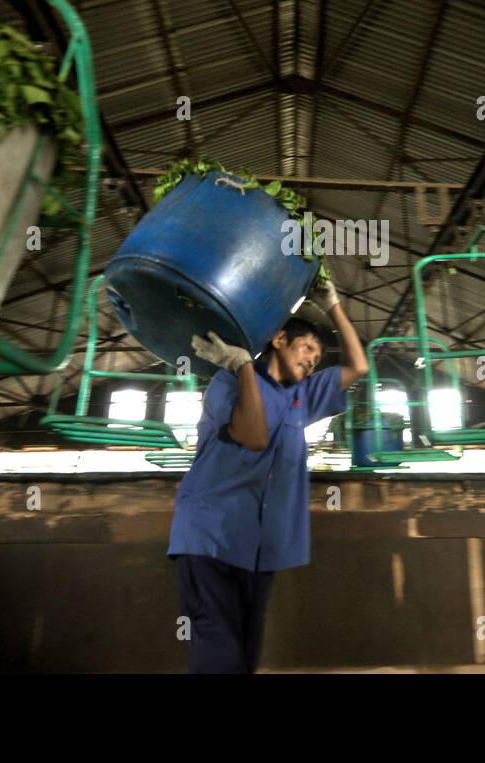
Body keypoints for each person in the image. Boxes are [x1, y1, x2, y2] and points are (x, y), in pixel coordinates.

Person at [167, 273, 367, 673]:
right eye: (307, 348)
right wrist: (243, 366)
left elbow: (357, 365)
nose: (312, 361)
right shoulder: (227, 382)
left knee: (245, 653)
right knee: (218, 649)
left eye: (316, 358)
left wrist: (333, 305)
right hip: (209, 536)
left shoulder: (302, 398)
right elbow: (253, 436)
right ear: (278, 339)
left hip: (259, 548)